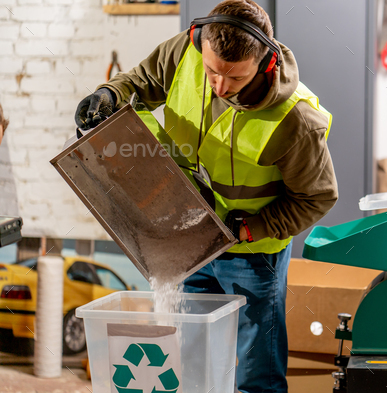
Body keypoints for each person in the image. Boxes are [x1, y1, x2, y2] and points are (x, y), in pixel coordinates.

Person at [73, 0, 337, 392]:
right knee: (193, 358)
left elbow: (316, 198)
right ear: (200, 42)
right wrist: (110, 94)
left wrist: (250, 228)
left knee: (256, 369)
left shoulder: (296, 121)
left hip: (252, 253)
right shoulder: (185, 51)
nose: (219, 86)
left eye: (235, 78)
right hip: (190, 235)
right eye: (212, 70)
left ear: (265, 64)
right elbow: (140, 82)